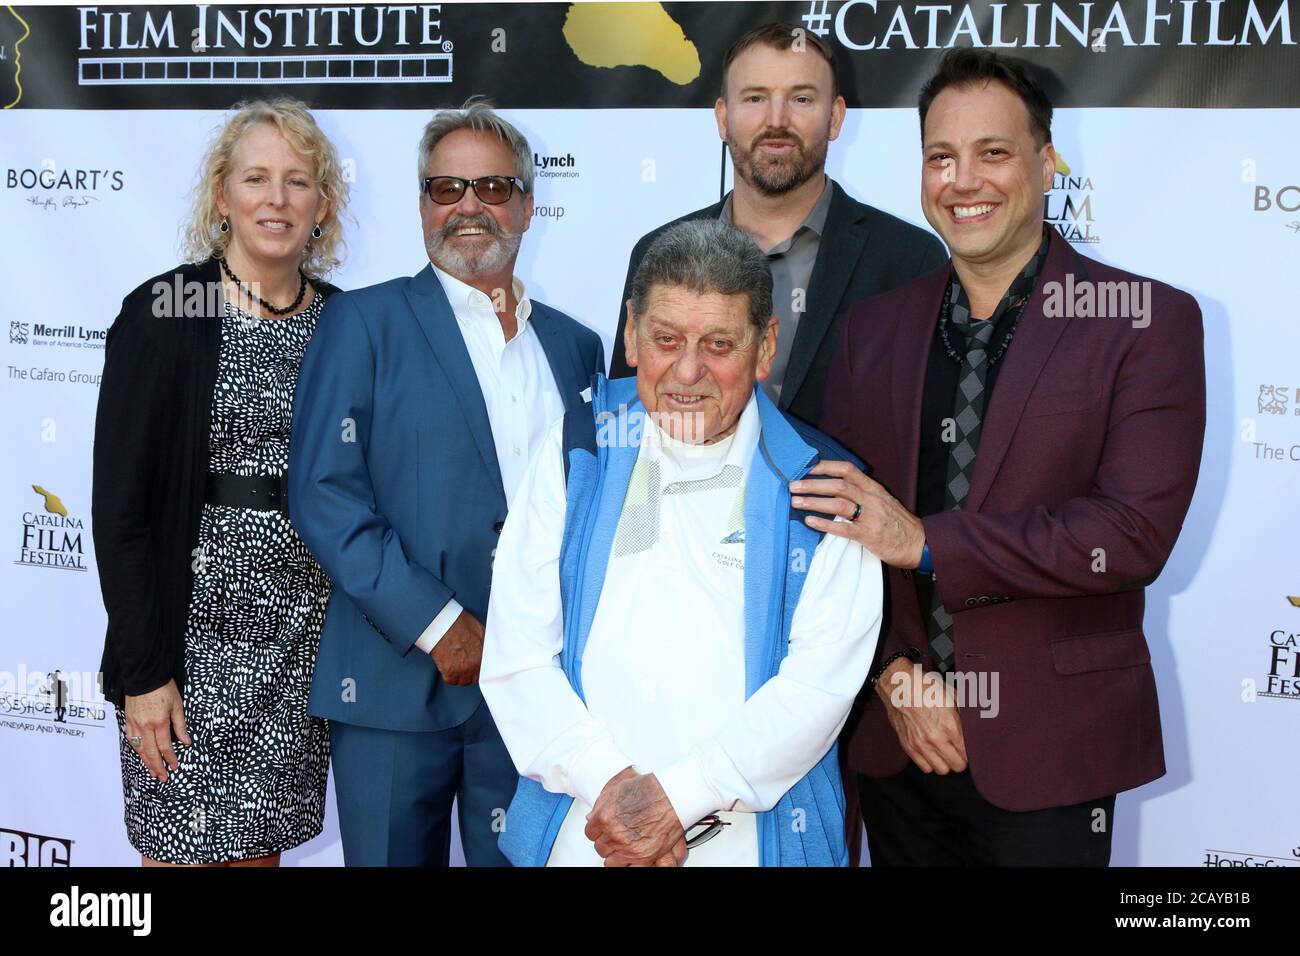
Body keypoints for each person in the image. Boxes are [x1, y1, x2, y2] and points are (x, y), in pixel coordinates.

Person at [811, 48, 1207, 865]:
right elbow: (838, 528)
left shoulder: (1144, 320)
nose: (964, 181)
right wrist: (893, 675)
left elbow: (1131, 533)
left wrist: (926, 542)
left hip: (1053, 753)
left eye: (992, 152)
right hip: (900, 743)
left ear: (1047, 160)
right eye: (940, 158)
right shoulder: (873, 330)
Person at [481, 219, 883, 867]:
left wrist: (676, 800)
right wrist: (615, 790)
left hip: (754, 845)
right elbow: (517, 653)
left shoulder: (825, 484)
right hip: (591, 834)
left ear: (765, 346)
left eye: (719, 343)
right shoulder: (576, 447)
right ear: (632, 335)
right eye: (666, 339)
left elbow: (817, 690)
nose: (688, 372)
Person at [288, 100, 603, 867]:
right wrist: (439, 624)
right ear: (422, 205)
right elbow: (323, 493)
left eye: (492, 188)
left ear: (528, 205)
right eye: (445, 188)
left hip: (536, 694)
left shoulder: (576, 347)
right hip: (396, 687)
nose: (467, 206)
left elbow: (596, 507)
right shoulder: (364, 324)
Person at [93, 98, 349, 866]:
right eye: (257, 178)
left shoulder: (344, 323)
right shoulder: (165, 311)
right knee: (176, 856)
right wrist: (143, 674)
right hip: (186, 648)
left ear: (322, 205)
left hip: (297, 646)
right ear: (221, 196)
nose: (277, 199)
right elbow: (120, 512)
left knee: (257, 856)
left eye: (298, 181)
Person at [608, 21, 946, 425]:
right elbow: (626, 408)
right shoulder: (657, 250)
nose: (777, 120)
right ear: (723, 118)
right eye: (754, 98)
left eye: (801, 98)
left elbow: (922, 426)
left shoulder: (908, 259)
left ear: (835, 118)